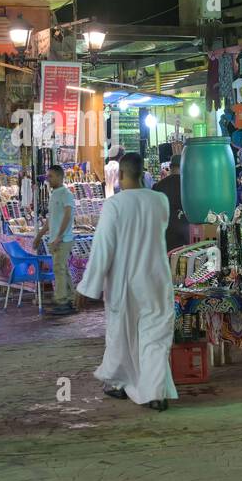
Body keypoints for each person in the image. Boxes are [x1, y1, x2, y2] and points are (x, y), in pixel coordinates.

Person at [75, 152, 177, 411]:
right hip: (155, 279)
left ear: (120, 174)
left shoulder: (115, 205)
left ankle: (118, 383)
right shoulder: (160, 201)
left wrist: (87, 287)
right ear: (142, 173)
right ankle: (155, 393)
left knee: (121, 335)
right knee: (155, 338)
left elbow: (103, 248)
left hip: (124, 282)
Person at [34, 164, 75, 316]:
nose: (48, 179)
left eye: (50, 176)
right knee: (62, 269)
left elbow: (68, 216)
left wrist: (59, 236)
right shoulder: (54, 195)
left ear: (59, 176)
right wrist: (39, 236)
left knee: (59, 269)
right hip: (56, 239)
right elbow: (50, 220)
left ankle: (62, 301)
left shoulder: (66, 194)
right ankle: (70, 298)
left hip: (63, 239)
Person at [152, 154, 190, 251]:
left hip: (165, 236)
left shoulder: (158, 186)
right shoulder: (189, 185)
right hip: (186, 236)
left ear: (170, 167)